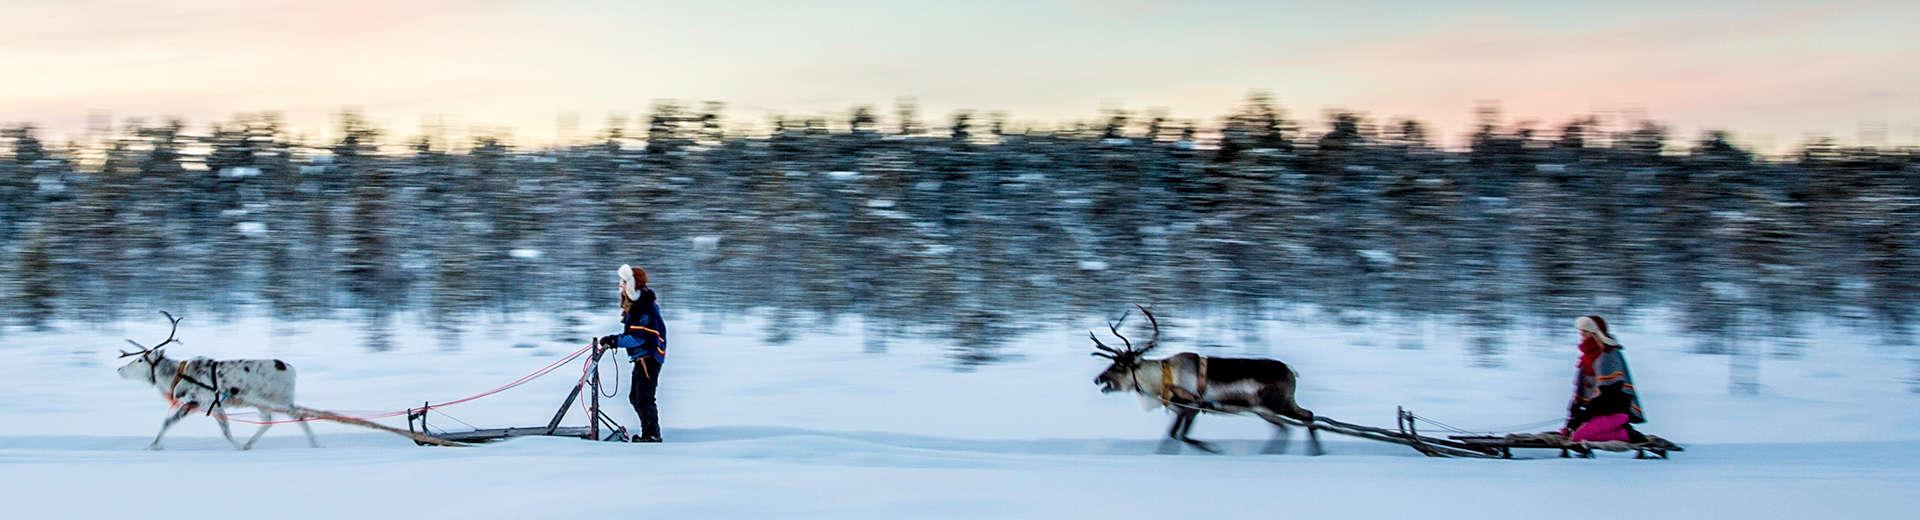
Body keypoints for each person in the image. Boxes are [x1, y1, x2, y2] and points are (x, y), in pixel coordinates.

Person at [599, 264, 667, 442]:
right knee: (635, 397)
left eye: (623, 282)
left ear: (631, 284)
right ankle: (649, 433)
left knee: (644, 398)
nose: (620, 285)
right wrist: (615, 340)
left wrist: (615, 341)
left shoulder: (644, 307)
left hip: (649, 358)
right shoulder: (638, 305)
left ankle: (652, 435)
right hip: (641, 358)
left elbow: (640, 337)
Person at [1562, 315, 1646, 443]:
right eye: (1581, 331)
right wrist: (1571, 421)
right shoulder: (1587, 358)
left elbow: (1608, 395)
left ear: (1596, 333)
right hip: (1597, 413)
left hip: (1615, 412)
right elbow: (1579, 396)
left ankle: (1627, 434)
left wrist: (1582, 417)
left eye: (1585, 331)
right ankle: (1608, 429)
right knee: (1569, 434)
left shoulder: (1608, 355)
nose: (1581, 334)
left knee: (1579, 437)